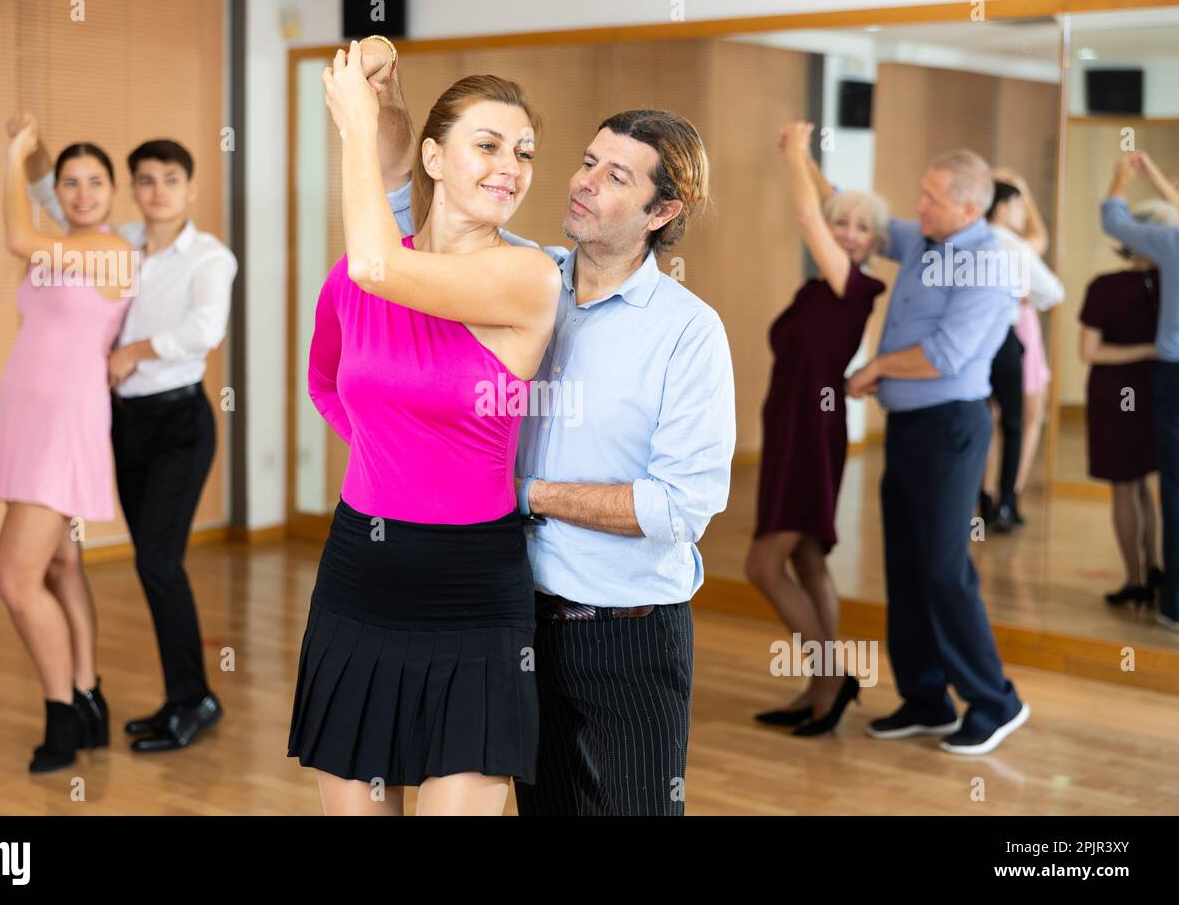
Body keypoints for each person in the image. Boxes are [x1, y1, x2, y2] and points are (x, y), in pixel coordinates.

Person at [368, 40, 735, 815]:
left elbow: (677, 509)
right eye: (587, 160)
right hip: (512, 616)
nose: (583, 181)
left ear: (662, 212)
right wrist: (389, 98)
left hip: (626, 636)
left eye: (616, 177)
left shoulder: (688, 332)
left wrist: (527, 491)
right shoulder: (524, 276)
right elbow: (403, 199)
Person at [287, 42, 561, 816]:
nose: (511, 164)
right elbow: (325, 379)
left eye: (524, 151)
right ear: (432, 159)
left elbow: (378, 262)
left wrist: (353, 122)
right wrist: (389, 452)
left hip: (474, 594)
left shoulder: (529, 276)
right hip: (360, 579)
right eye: (488, 144)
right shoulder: (360, 274)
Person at [24, 127, 238, 751]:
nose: (157, 191)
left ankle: (193, 699)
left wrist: (135, 350)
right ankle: (183, 697)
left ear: (190, 187)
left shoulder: (210, 257)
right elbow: (51, 195)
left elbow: (207, 328)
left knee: (157, 562)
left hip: (179, 424)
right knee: (154, 565)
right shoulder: (119, 243)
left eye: (170, 180)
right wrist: (30, 145)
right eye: (145, 180)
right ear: (134, 189)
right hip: (123, 424)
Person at [846, 148, 1029, 756]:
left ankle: (997, 701)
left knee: (946, 569)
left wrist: (875, 367)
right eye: (921, 194)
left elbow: (944, 356)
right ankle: (926, 699)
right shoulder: (924, 235)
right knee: (906, 564)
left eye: (931, 198)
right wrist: (800, 158)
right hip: (907, 429)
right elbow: (856, 215)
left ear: (970, 207)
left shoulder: (990, 264)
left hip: (951, 429)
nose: (916, 206)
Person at [0, 117, 133, 772]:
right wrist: (36, 145)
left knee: (14, 576)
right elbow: (43, 207)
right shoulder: (64, 241)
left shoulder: (112, 253)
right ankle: (88, 693)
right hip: (25, 418)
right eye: (68, 182)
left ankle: (60, 719)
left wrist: (12, 158)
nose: (79, 192)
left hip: (65, 428)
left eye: (94, 181)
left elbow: (18, 233)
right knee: (60, 566)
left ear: (113, 192)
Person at [747, 120, 887, 736]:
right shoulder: (822, 287)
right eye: (843, 224)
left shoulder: (853, 286)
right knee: (806, 558)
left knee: (762, 564)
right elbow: (825, 209)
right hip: (792, 424)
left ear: (874, 243)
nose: (848, 233)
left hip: (813, 429)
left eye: (862, 228)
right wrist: (802, 163)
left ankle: (830, 677)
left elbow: (812, 217)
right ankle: (821, 685)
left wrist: (796, 155)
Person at [1101, 151, 1179, 630]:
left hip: (1174, 373)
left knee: (1174, 487)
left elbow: (1114, 220)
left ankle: (1175, 606)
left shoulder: (1169, 241)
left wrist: (1123, 175)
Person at [1080, 200, 1171, 607]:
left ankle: (1135, 578)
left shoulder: (1106, 286)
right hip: (1153, 392)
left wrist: (1143, 349)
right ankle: (1152, 567)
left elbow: (1090, 352)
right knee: (1145, 485)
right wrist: (1152, 350)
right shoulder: (1168, 286)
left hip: (1117, 394)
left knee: (1125, 486)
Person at [980, 172, 1064, 531]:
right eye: (1017, 206)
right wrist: (1020, 291)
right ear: (1002, 208)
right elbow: (1053, 292)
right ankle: (1007, 502)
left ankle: (982, 501)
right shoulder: (1014, 246)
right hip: (1007, 338)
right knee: (1017, 422)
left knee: (984, 421)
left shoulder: (965, 241)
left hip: (973, 342)